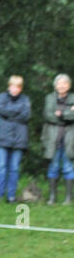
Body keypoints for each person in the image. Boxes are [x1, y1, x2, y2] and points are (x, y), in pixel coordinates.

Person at [0, 75, 31, 203]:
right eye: (13, 86)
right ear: (9, 86)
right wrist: (17, 112)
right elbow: (0, 109)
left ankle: (11, 196)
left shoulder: (26, 99)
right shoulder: (1, 97)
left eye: (18, 86)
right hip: (1, 139)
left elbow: (26, 116)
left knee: (14, 168)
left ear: (21, 88)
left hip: (19, 140)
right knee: (2, 167)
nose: (15, 89)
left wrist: (8, 115)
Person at [42, 73, 74, 205]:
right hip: (52, 138)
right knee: (53, 167)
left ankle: (68, 199)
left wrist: (60, 114)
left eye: (64, 83)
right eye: (59, 83)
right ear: (55, 85)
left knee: (68, 168)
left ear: (69, 85)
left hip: (70, 139)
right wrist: (68, 113)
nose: (61, 86)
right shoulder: (49, 98)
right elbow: (48, 115)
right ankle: (52, 198)